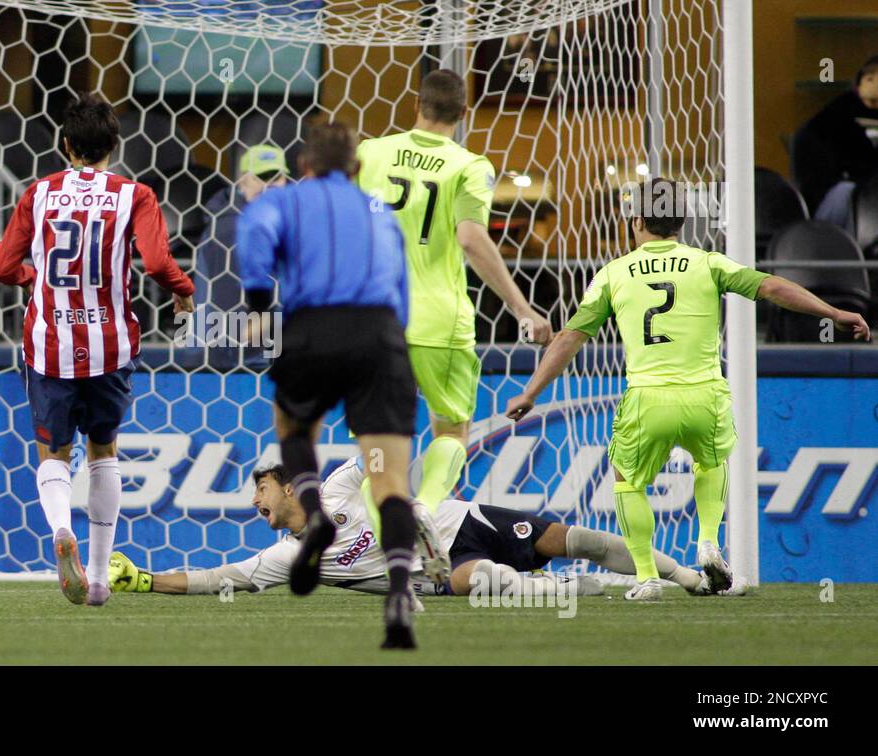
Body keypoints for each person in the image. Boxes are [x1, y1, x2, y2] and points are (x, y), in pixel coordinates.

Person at [505, 177, 871, 601]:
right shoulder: (708, 263)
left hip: (648, 399)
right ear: (680, 222)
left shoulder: (614, 274)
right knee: (711, 462)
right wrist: (832, 310)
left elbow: (569, 337)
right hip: (704, 396)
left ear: (637, 221)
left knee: (628, 481)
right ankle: (709, 542)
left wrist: (530, 392)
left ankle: (645, 578)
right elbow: (771, 287)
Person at [0, 93, 195, 607]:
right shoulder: (135, 196)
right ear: (114, 145)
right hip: (109, 345)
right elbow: (154, 262)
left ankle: (63, 531)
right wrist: (183, 288)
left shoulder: (38, 195)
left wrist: (30, 275)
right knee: (104, 452)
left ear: (65, 144)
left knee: (53, 456)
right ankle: (101, 578)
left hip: (49, 345)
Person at [235, 121, 424, 649]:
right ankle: (399, 594)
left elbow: (254, 229)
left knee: (293, 425)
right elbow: (400, 289)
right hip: (381, 338)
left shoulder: (288, 202)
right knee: (389, 483)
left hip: (312, 330)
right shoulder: (378, 212)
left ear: (303, 166)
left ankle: (315, 515)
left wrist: (255, 302)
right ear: (358, 168)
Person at [106, 459, 746, 599]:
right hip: (441, 571)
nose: (255, 502)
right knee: (490, 582)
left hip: (458, 519)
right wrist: (141, 581)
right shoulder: (288, 557)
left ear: (288, 483)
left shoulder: (333, 488)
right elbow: (220, 576)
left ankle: (697, 579)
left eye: (261, 489)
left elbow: (378, 452)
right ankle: (616, 594)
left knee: (588, 540)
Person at [356, 69, 553, 516]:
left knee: (380, 449)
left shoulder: (371, 153)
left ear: (416, 105)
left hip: (374, 321)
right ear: (463, 113)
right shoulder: (469, 166)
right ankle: (425, 507)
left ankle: (392, 557)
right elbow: (470, 238)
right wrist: (521, 306)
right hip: (438, 320)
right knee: (450, 432)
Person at [190, 144, 288, 370]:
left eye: (277, 176)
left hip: (251, 356)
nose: (270, 185)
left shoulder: (267, 221)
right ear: (242, 182)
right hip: (242, 364)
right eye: (261, 177)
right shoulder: (231, 228)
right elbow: (234, 319)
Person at [793, 54, 878, 222]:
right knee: (847, 192)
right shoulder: (839, 115)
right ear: (867, 80)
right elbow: (860, 165)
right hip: (832, 208)